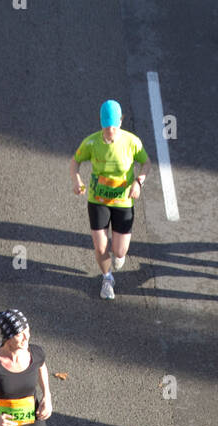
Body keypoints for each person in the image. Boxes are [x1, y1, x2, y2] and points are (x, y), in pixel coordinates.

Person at [70, 100, 151, 300]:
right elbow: (75, 162)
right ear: (101, 124)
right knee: (100, 246)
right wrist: (77, 180)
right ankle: (107, 279)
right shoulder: (91, 142)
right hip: (98, 200)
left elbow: (146, 163)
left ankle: (120, 256)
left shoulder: (132, 142)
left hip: (123, 201)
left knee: (119, 250)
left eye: (114, 126)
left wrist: (138, 183)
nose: (110, 131)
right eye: (107, 127)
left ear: (121, 122)